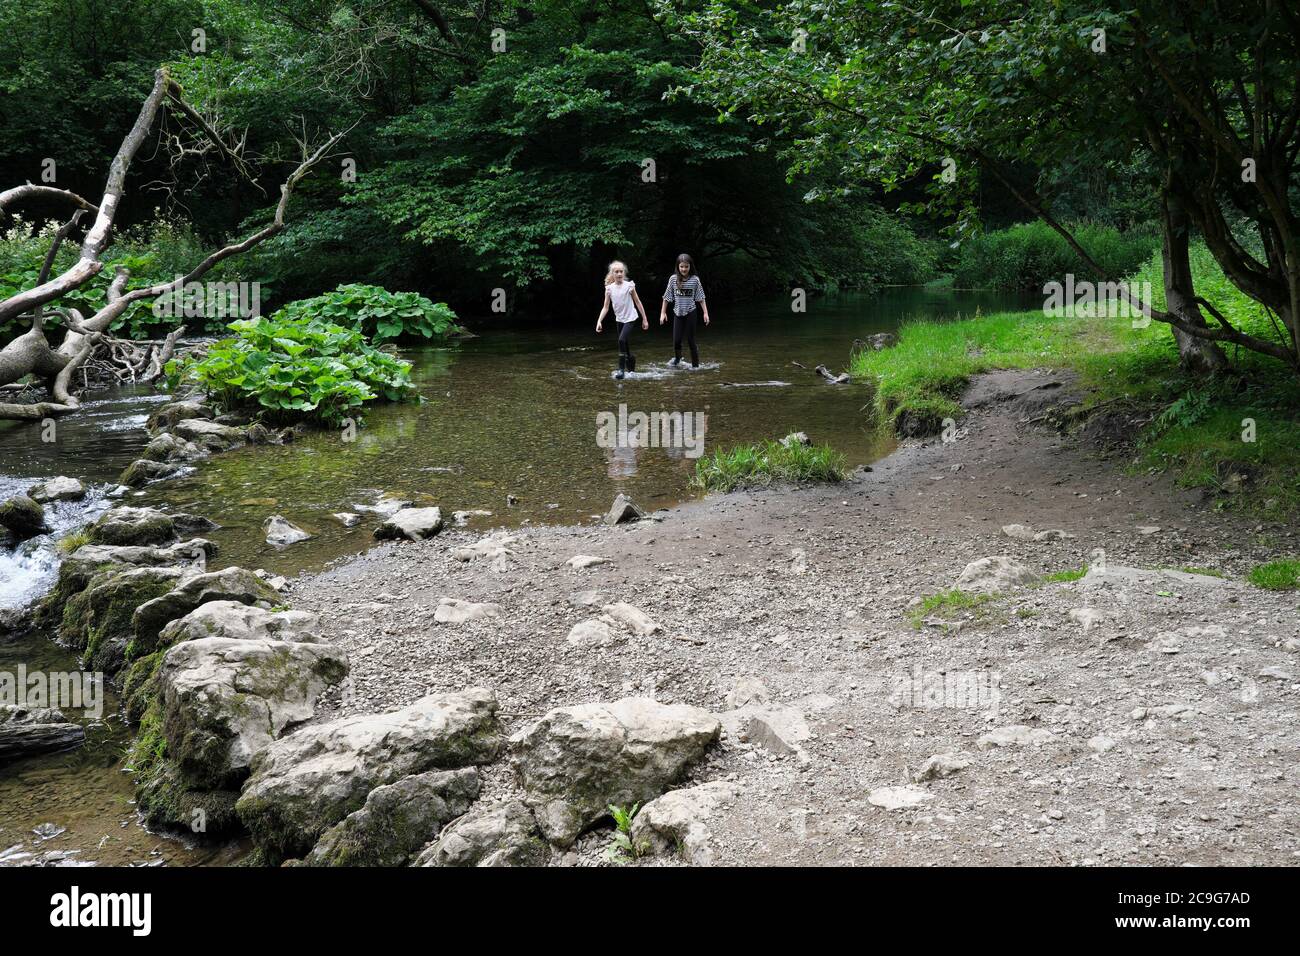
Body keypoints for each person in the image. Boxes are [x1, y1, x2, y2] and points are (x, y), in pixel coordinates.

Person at [596, 260, 649, 380]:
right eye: (616, 272)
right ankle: (631, 366)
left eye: (621, 271)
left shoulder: (629, 286)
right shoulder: (609, 289)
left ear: (624, 273)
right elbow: (605, 307)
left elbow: (637, 302)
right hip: (619, 319)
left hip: (631, 317)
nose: (619, 274)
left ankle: (621, 369)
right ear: (612, 274)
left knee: (621, 340)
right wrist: (599, 321)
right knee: (625, 344)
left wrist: (644, 319)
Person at [659, 253, 710, 367]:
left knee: (691, 340)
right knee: (676, 341)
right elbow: (666, 297)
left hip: (691, 312)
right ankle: (677, 359)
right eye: (681, 266)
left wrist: (705, 313)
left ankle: (695, 366)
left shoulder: (695, 280)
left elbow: (701, 298)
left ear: (690, 266)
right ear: (678, 267)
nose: (684, 269)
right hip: (678, 312)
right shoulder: (673, 279)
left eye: (686, 266)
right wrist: (663, 313)